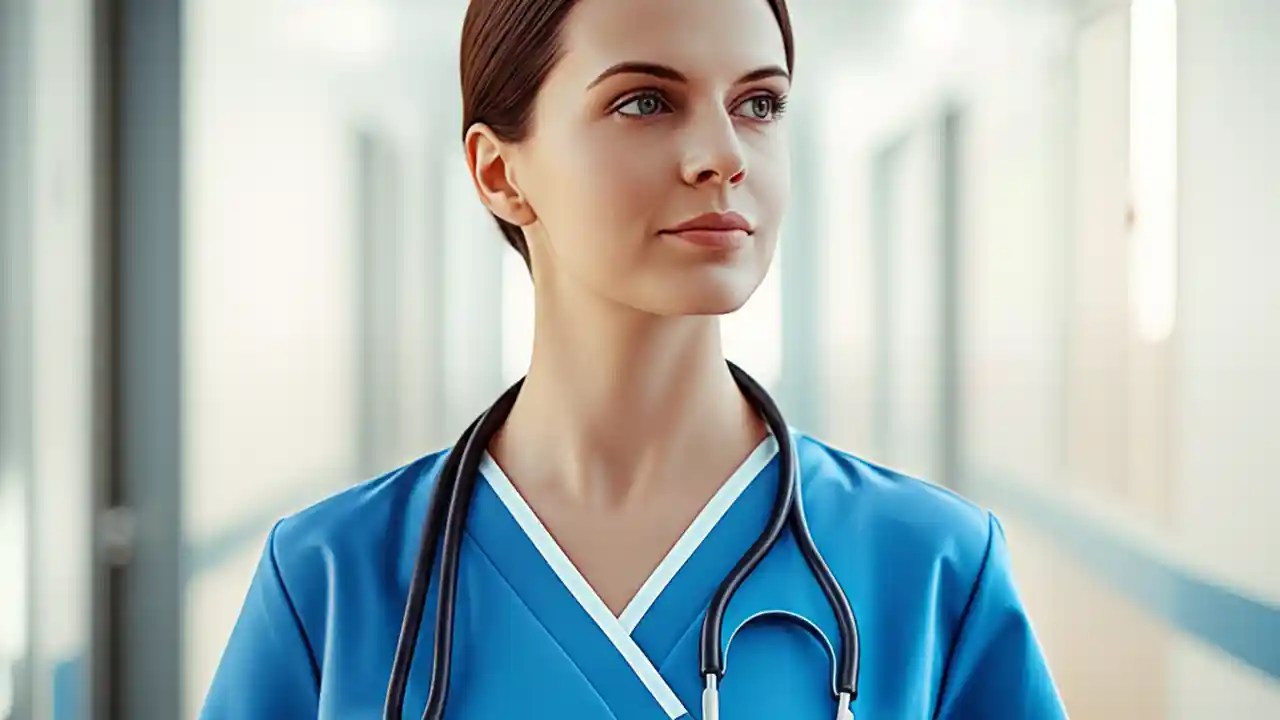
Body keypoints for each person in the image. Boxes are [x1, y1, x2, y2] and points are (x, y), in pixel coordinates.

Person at [200, 0, 1067, 717]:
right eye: (646, 101)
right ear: (501, 174)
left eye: (759, 104)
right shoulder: (331, 582)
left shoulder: (931, 569)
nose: (725, 155)